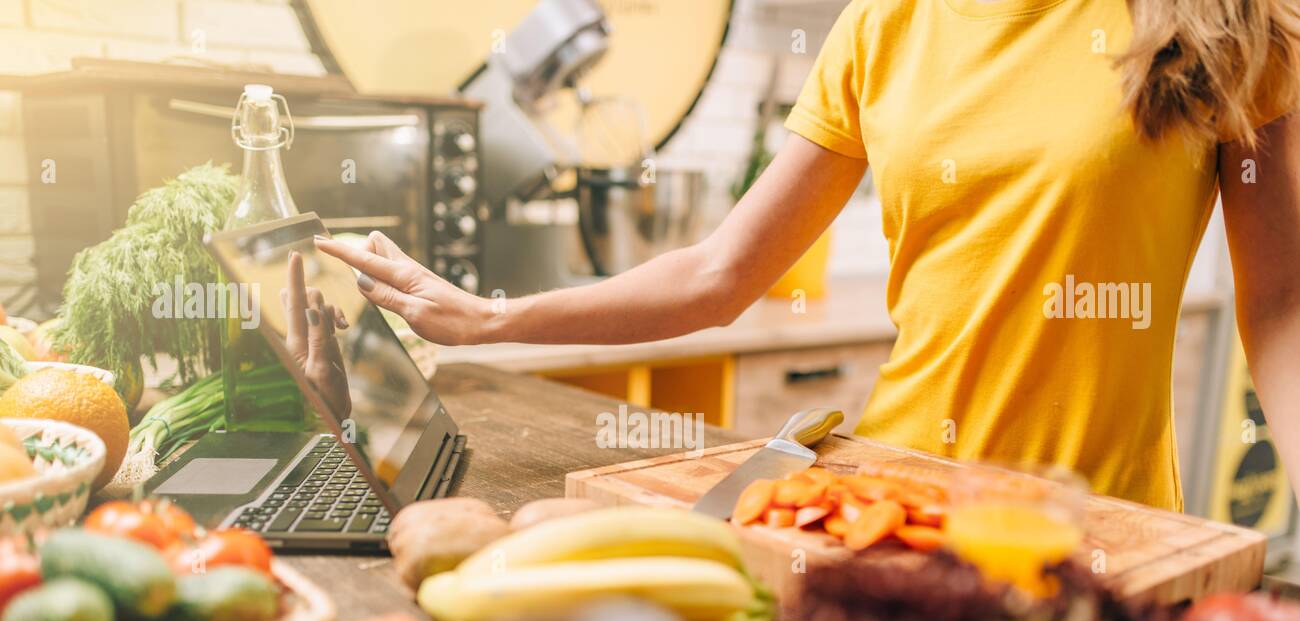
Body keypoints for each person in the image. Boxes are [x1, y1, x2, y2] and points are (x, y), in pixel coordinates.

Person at [316, 0, 1300, 511]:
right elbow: (719, 275)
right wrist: (492, 319)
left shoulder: (1217, 24)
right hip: (895, 504)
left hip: (1103, 525)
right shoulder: (883, 26)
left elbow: (1280, 309)